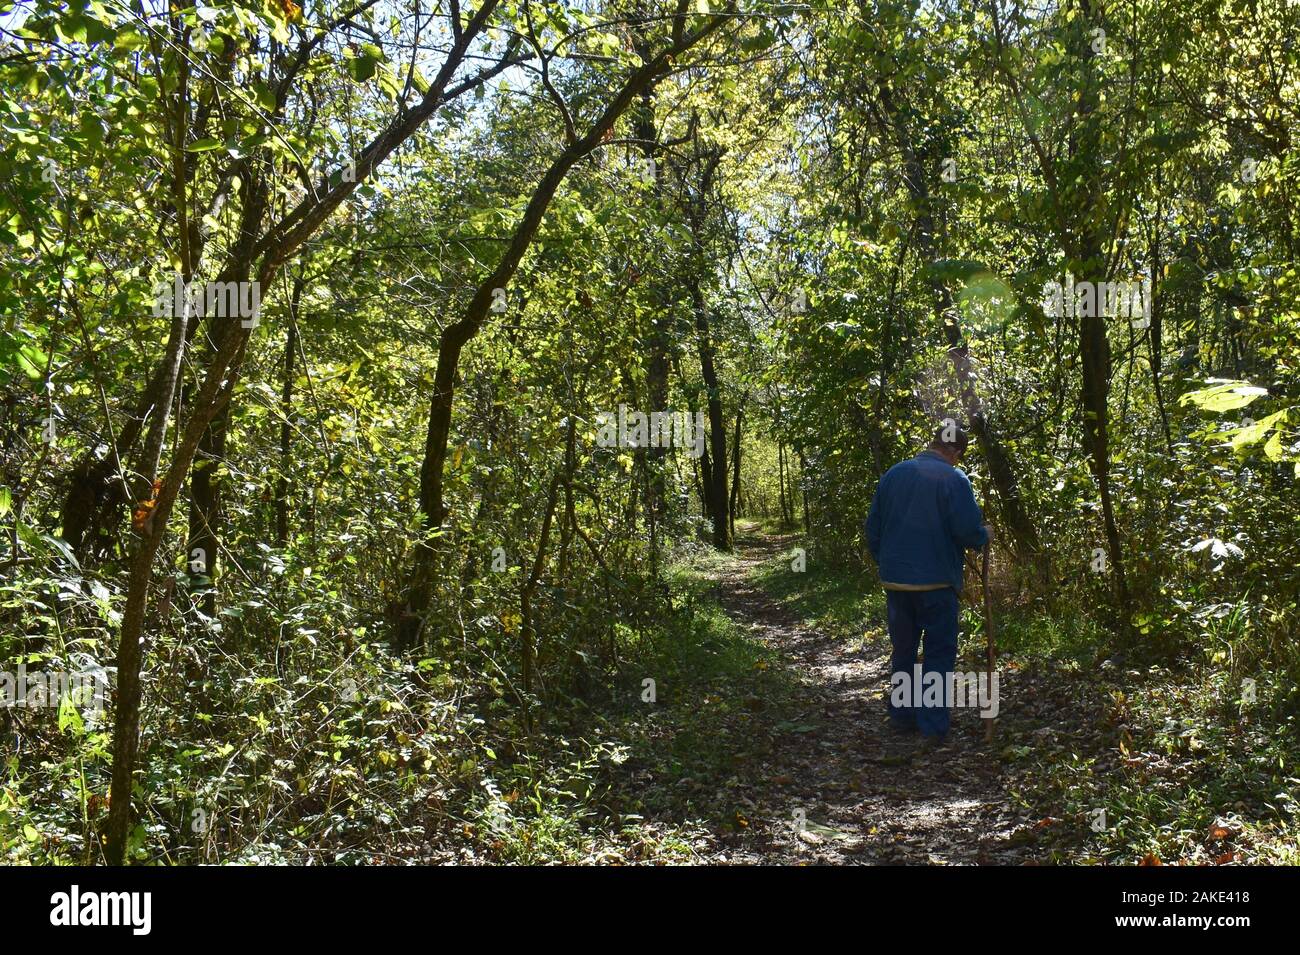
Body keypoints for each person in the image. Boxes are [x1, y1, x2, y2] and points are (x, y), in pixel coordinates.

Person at [864, 421, 990, 744]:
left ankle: (903, 717)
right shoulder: (954, 479)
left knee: (903, 649)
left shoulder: (893, 475)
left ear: (933, 441)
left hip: (897, 584)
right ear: (956, 452)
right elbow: (966, 529)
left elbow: (872, 531)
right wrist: (982, 536)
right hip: (937, 584)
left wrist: (889, 562)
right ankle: (932, 725)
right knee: (938, 652)